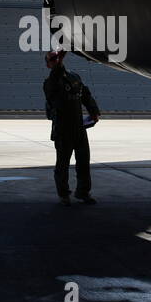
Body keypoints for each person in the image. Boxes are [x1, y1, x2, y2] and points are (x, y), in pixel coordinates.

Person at [43, 49, 101, 205]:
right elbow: (55, 79)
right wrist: (59, 64)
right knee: (62, 164)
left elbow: (85, 95)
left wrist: (93, 111)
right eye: (53, 59)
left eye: (57, 58)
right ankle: (63, 194)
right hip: (62, 129)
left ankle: (83, 192)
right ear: (49, 65)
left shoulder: (74, 77)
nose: (56, 60)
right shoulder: (49, 83)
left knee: (83, 161)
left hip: (78, 127)